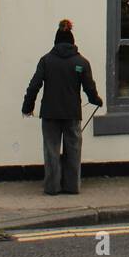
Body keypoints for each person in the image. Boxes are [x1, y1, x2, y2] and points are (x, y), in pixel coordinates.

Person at [21, 19, 103, 196]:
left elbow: (34, 85)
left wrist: (27, 107)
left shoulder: (46, 61)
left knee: (51, 149)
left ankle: (52, 187)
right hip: (72, 112)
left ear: (55, 41)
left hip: (50, 113)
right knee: (73, 149)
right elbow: (89, 87)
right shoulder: (81, 62)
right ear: (73, 42)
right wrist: (96, 100)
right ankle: (72, 186)